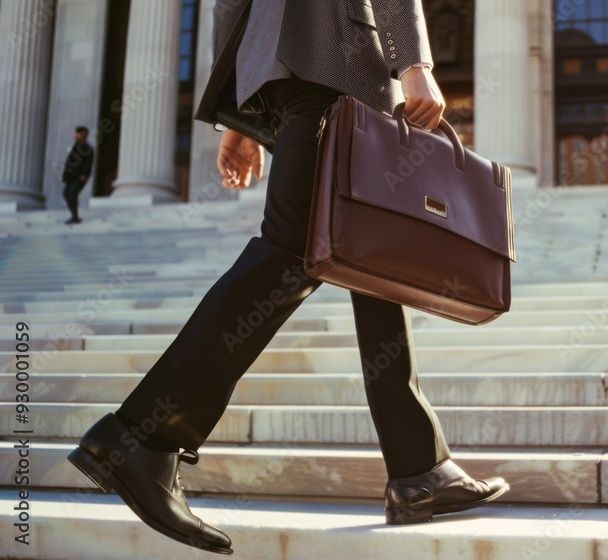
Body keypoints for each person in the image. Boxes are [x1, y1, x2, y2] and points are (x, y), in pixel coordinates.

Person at [67, 1, 508, 555]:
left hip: (285, 72)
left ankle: (420, 468)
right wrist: (415, 62)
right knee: (292, 255)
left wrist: (239, 112)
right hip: (339, 65)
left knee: (373, 262)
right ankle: (142, 437)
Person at [62, 125, 93, 224]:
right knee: (67, 193)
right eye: (76, 133)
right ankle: (74, 215)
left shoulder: (87, 148)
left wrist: (85, 174)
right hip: (71, 177)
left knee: (71, 193)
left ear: (83, 135)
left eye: (78, 134)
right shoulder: (75, 147)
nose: (75, 136)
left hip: (79, 177)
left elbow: (88, 163)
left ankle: (75, 217)